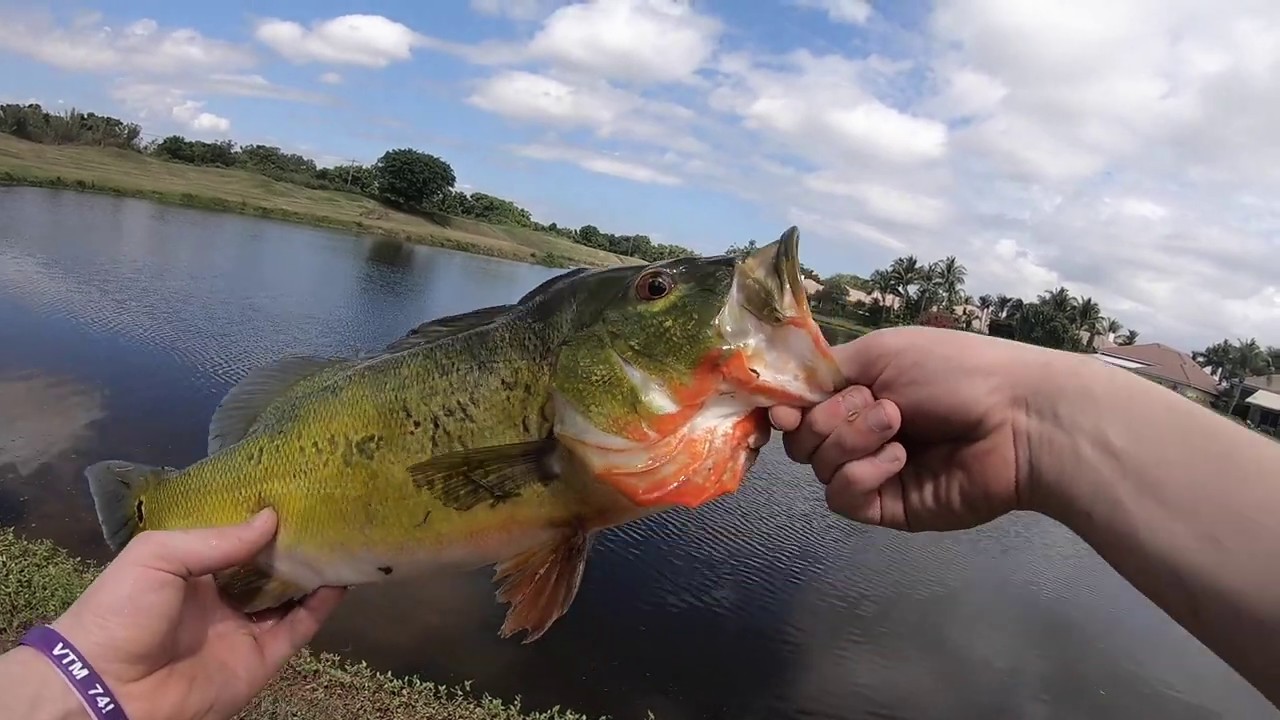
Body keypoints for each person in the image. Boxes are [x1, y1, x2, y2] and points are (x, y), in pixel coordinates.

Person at [2, 326, 1278, 719]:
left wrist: (78, 694)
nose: (702, 308)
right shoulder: (555, 429)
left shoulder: (590, 451)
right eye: (664, 293)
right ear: (576, 361)